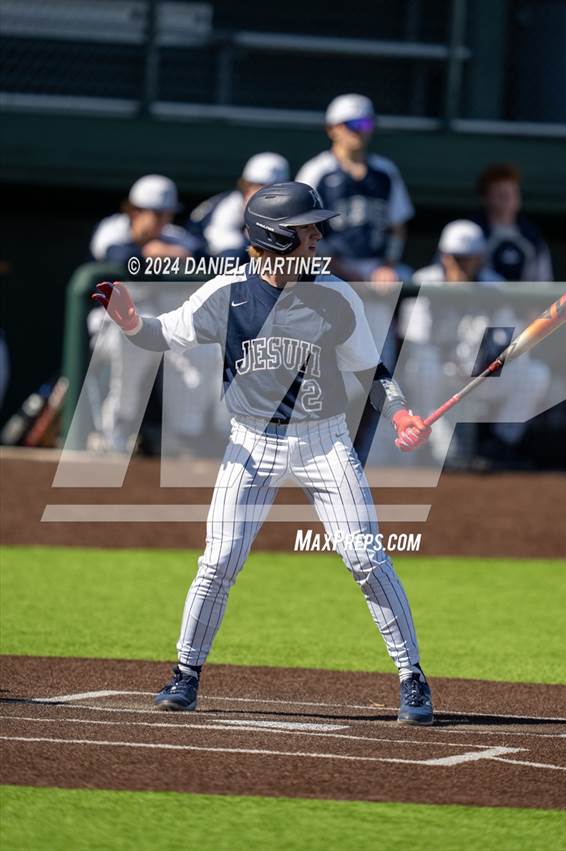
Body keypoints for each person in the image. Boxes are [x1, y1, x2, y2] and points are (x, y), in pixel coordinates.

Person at [92, 181, 435, 725]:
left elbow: (374, 374)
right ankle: (185, 673)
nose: (319, 237)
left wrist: (400, 414)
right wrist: (130, 321)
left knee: (366, 556)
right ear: (274, 238)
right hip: (251, 441)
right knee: (219, 559)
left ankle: (413, 676)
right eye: (307, 230)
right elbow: (160, 336)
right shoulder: (227, 294)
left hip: (324, 442)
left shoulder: (336, 295)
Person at [296, 94, 415, 460]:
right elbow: (302, 235)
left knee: (376, 373)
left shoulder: (385, 172)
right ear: (333, 129)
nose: (361, 132)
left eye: (366, 124)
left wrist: (389, 265)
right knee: (329, 375)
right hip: (330, 283)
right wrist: (349, 269)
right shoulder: (317, 173)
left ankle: (365, 453)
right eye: (352, 125)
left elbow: (397, 227)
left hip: (376, 283)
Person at [400, 220, 550, 468]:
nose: (460, 264)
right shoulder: (424, 281)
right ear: (443, 256)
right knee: (423, 367)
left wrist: (485, 366)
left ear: (479, 258)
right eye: (455, 257)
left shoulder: (494, 286)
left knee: (535, 375)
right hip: (440, 375)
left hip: (479, 376)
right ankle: (431, 446)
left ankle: (500, 445)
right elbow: (416, 342)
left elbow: (506, 338)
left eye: (467, 258)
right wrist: (453, 365)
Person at [88, 175, 213, 453]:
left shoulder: (174, 237)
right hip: (109, 328)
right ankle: (115, 431)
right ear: (134, 211)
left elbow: (206, 258)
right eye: (155, 213)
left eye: (167, 213)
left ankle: (184, 436)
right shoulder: (113, 229)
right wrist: (150, 252)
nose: (162, 220)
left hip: (157, 323)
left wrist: (168, 251)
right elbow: (118, 256)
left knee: (199, 350)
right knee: (131, 345)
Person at [188, 153, 290, 260]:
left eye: (268, 188)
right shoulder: (229, 206)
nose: (257, 191)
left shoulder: (288, 210)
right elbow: (229, 253)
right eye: (252, 185)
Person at [472, 163, 553, 283]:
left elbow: (544, 282)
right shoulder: (470, 234)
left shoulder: (533, 237)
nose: (507, 198)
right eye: (500, 193)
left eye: (512, 192)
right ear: (485, 197)